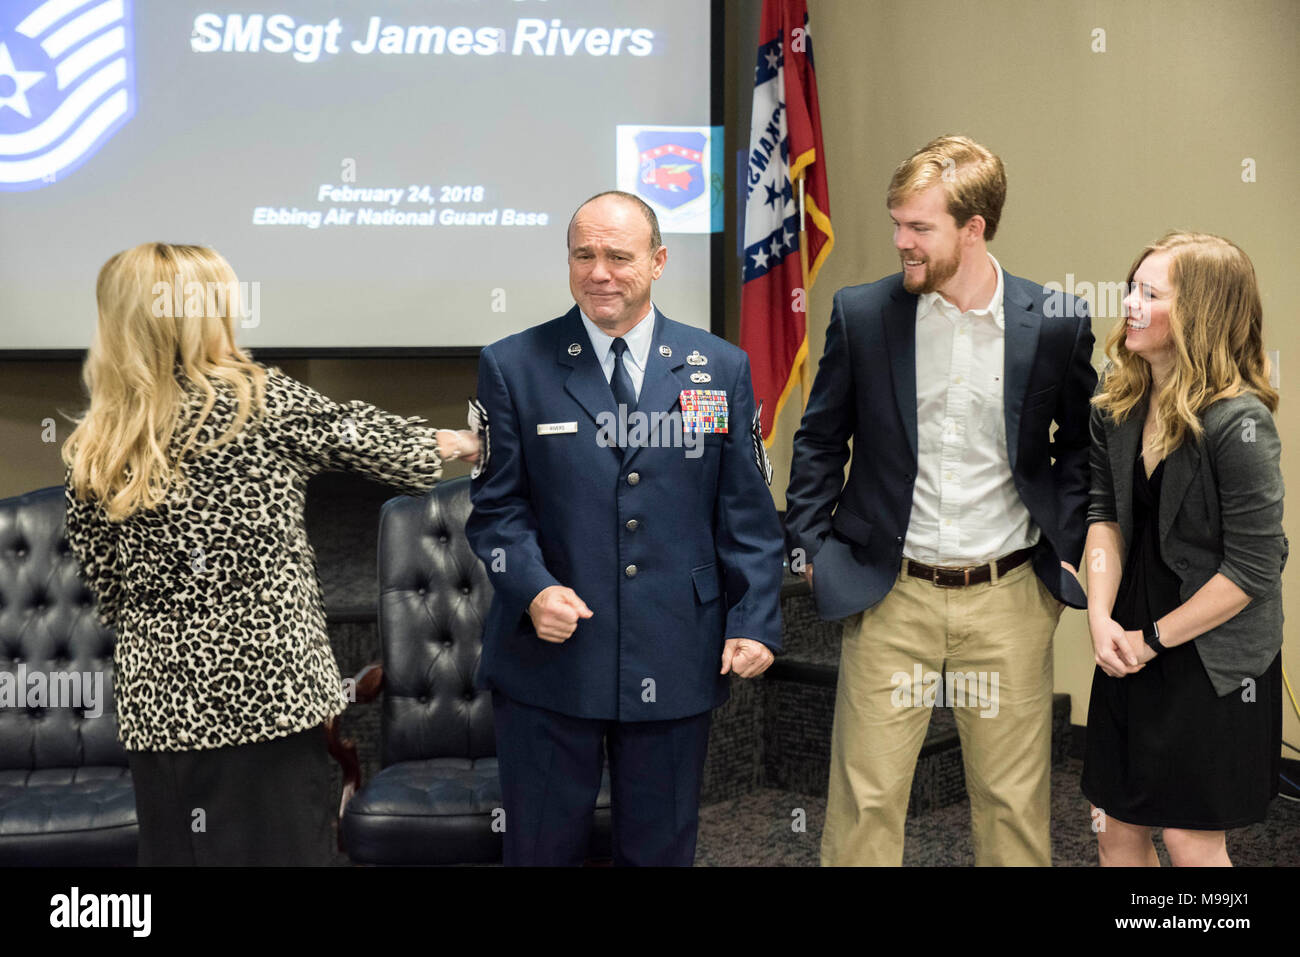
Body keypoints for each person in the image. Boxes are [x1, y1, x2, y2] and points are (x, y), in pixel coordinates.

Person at [61, 242, 478, 865]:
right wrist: (462, 441)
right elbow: (373, 443)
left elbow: (108, 590)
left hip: (159, 710)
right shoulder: (258, 402)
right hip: (272, 699)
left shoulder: (96, 442)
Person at [785, 135, 1097, 866]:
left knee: (1013, 810)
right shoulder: (864, 314)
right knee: (864, 806)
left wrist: (1070, 537)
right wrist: (814, 550)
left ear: (974, 227)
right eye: (897, 224)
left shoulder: (1055, 320)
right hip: (891, 596)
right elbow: (820, 440)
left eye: (918, 227)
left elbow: (1084, 445)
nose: (901, 242)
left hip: (1009, 597)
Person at [464, 190, 784, 866]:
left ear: (659, 261)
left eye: (618, 255)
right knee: (542, 848)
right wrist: (531, 587)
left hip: (674, 649)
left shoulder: (717, 367)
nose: (599, 272)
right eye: (584, 255)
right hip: (550, 658)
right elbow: (495, 512)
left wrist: (753, 617)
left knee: (660, 848)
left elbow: (747, 515)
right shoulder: (513, 364)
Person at [1081, 232, 1286, 866]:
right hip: (1129, 631)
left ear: (1200, 313)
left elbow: (1254, 567)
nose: (1131, 305)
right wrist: (1100, 618)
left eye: (1151, 293)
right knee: (1115, 828)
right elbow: (1105, 515)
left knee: (1189, 839)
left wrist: (1153, 639)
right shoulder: (1118, 403)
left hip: (1211, 652)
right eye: (1131, 289)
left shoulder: (1239, 424)